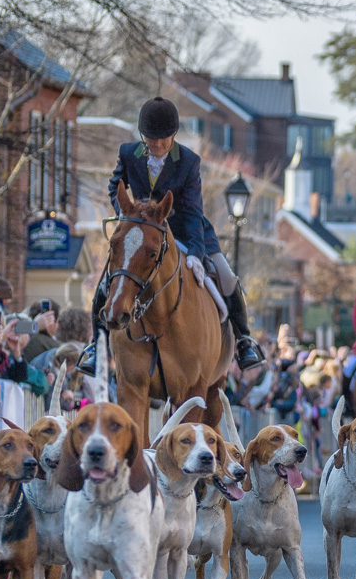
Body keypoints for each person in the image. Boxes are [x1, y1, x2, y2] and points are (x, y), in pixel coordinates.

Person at [80, 96, 261, 373]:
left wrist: (197, 255)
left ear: (173, 135)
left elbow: (191, 212)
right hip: (140, 233)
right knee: (109, 280)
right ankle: (96, 344)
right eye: (152, 138)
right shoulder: (129, 153)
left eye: (163, 138)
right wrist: (126, 214)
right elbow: (114, 186)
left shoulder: (188, 161)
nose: (158, 144)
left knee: (226, 276)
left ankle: (244, 340)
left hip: (186, 231)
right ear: (143, 135)